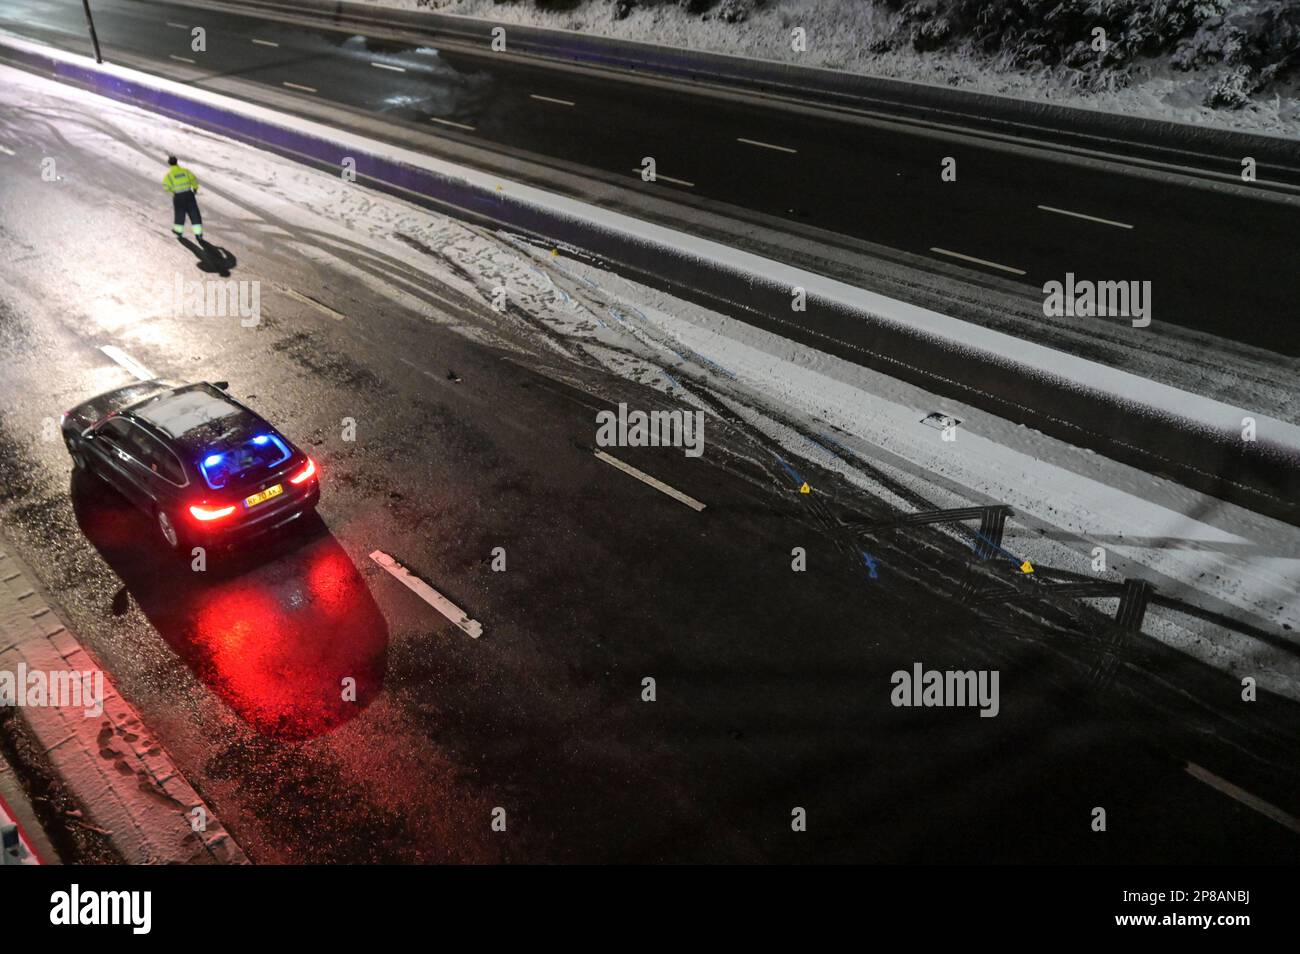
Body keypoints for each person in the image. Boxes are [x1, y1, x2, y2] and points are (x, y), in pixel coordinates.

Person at [163, 156, 203, 238]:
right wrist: (195, 188)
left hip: (178, 197)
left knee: (179, 213)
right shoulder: (186, 171)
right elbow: (194, 180)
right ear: (177, 162)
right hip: (189, 194)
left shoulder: (169, 176)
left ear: (169, 163)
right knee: (194, 213)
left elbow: (166, 187)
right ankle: (198, 233)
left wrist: (173, 190)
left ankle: (178, 231)